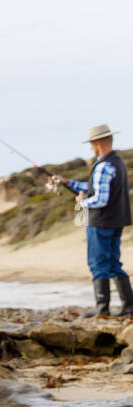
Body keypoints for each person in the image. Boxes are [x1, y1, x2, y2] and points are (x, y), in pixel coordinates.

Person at [50, 126, 132, 317]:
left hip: (100, 222)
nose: (91, 149)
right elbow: (93, 187)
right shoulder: (116, 162)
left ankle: (102, 309)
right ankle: (129, 307)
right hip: (115, 221)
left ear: (97, 143)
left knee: (98, 264)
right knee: (113, 263)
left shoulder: (103, 166)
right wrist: (68, 183)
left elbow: (100, 199)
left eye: (92, 145)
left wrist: (82, 201)